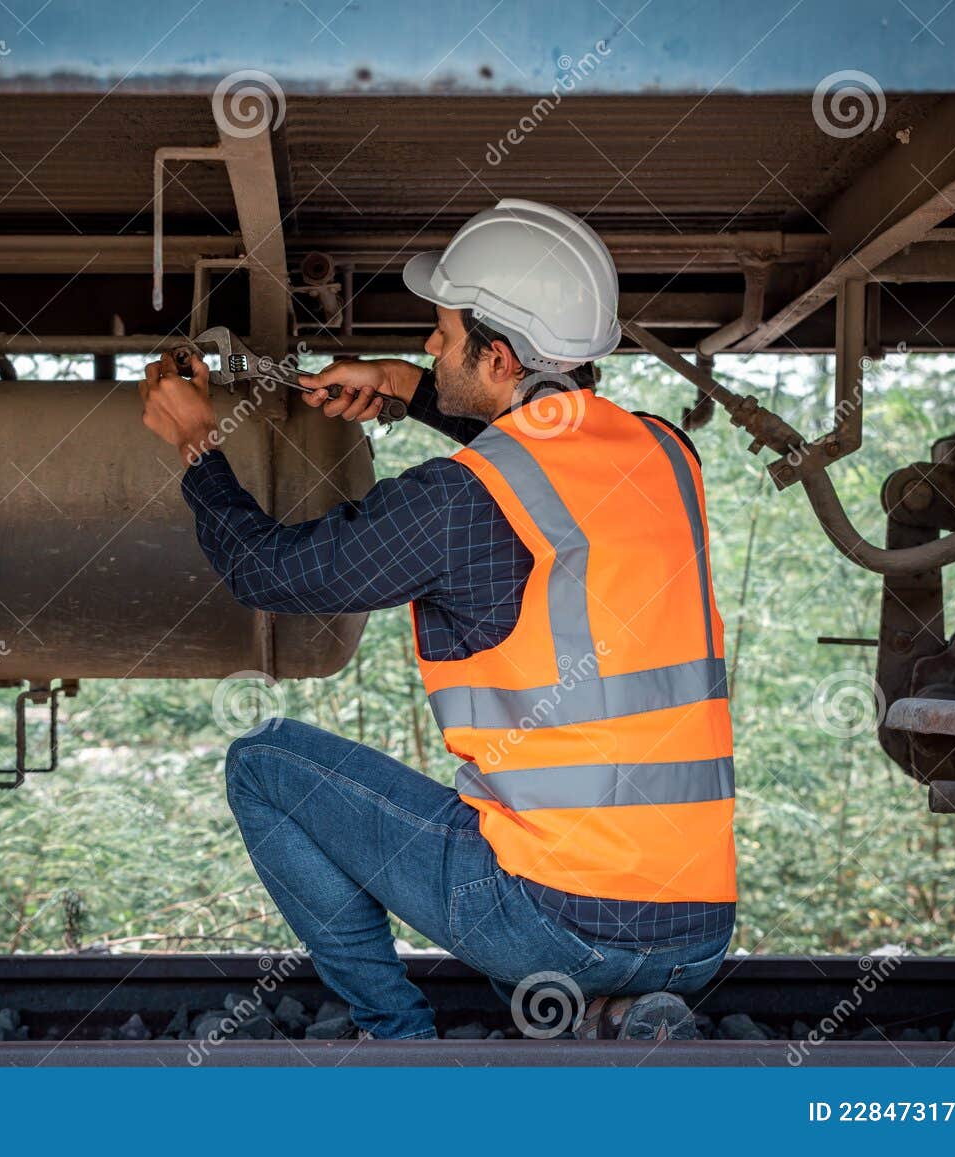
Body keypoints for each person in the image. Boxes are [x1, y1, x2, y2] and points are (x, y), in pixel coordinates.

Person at [141, 199, 735, 1041]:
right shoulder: (670, 455)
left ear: (497, 357)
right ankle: (606, 1012)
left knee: (262, 762)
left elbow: (266, 570)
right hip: (698, 935)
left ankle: (399, 1037)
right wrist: (405, 390)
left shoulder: (458, 502)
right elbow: (546, 437)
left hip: (552, 923)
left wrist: (198, 444)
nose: (428, 343)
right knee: (525, 872)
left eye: (443, 335)